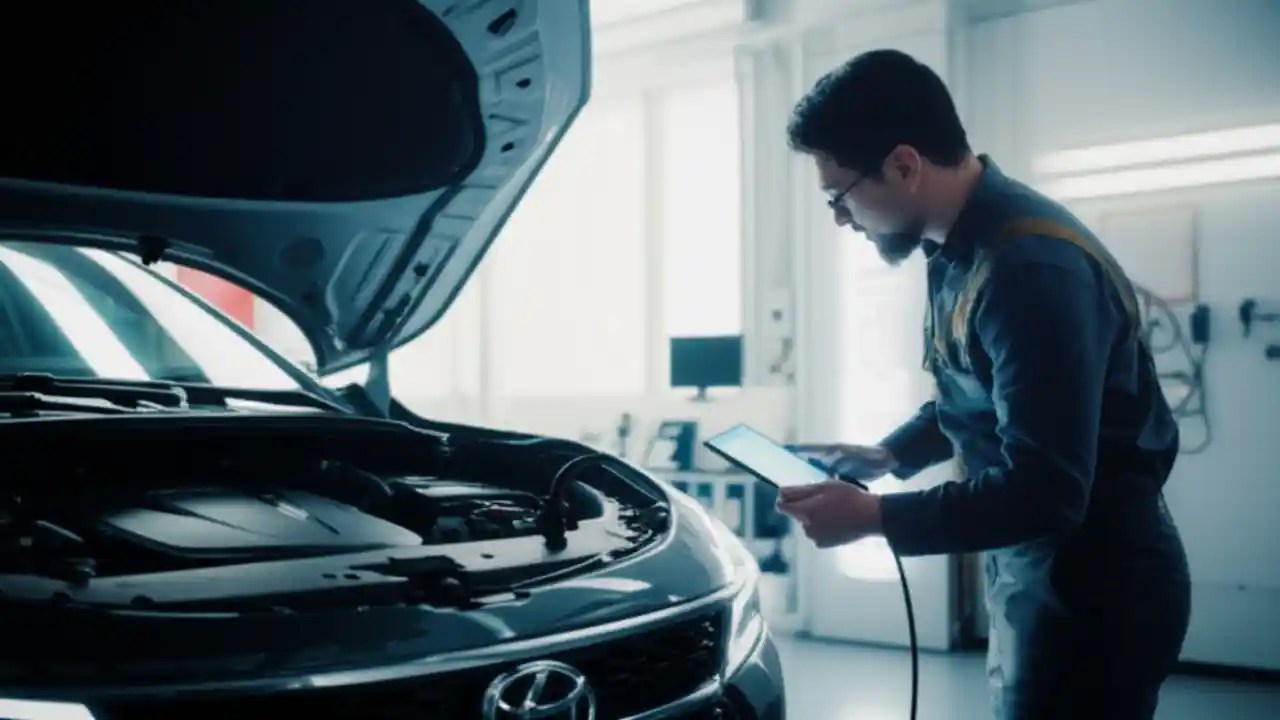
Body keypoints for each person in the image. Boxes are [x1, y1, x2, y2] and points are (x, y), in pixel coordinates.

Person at [778, 49, 1191, 719]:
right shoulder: (957, 245)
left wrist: (877, 518)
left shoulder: (1027, 270)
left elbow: (1047, 491)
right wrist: (888, 457)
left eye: (840, 196)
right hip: (1035, 567)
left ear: (905, 166)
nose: (840, 219)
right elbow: (976, 394)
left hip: (1093, 585)